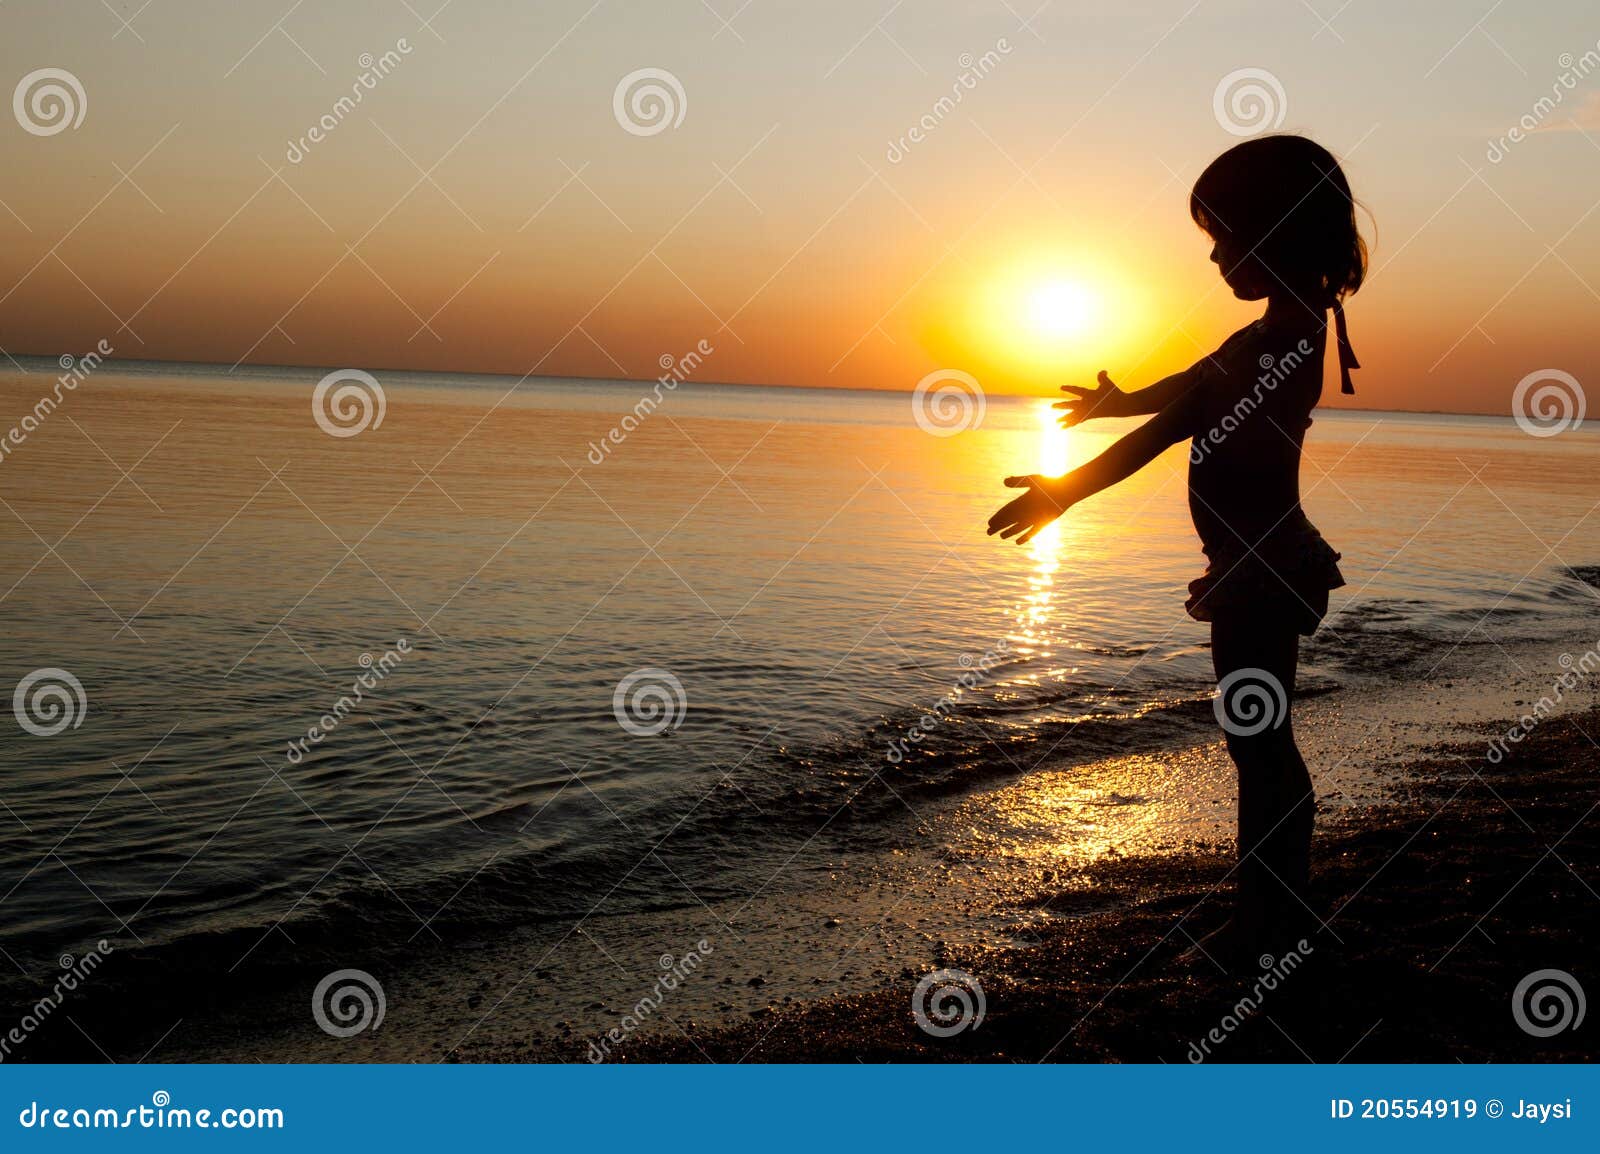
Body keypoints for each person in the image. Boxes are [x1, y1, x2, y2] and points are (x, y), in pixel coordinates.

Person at [987, 134, 1366, 961]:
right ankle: (1275, 910)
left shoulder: (1278, 344)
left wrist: (1065, 490)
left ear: (1278, 232)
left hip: (1260, 570)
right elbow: (1181, 393)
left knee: (1258, 742)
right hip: (1257, 562)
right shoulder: (1278, 332)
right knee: (1258, 737)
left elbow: (1172, 429)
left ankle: (1270, 924)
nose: (1216, 256)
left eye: (1225, 236)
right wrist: (1115, 399)